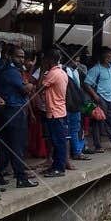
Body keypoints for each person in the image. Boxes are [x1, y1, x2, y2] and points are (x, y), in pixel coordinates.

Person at [0, 45, 37, 189]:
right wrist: (30, 86)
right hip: (14, 110)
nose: (22, 59)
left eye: (23, 57)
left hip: (6, 111)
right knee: (17, 146)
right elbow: (24, 89)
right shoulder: (11, 72)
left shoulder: (5, 70)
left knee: (4, 146)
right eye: (19, 56)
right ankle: (21, 178)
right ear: (10, 56)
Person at [38, 49, 70, 177]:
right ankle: (56, 165)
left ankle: (59, 168)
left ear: (49, 60)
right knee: (57, 140)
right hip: (58, 110)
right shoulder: (62, 72)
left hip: (55, 112)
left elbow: (39, 87)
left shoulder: (53, 73)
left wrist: (42, 70)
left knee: (58, 141)